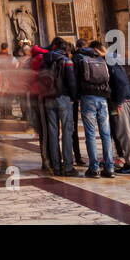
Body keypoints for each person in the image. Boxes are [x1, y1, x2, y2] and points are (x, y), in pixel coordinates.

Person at [76, 40, 115, 177]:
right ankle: (109, 168)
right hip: (103, 98)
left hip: (88, 98)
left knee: (91, 134)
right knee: (106, 133)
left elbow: (78, 80)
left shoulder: (81, 59)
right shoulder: (101, 59)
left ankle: (94, 168)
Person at [39, 38, 77, 175]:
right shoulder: (66, 61)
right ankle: (68, 167)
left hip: (48, 98)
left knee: (53, 133)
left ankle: (56, 166)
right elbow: (71, 81)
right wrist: (74, 97)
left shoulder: (44, 60)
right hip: (63, 98)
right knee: (67, 132)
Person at [108, 53, 130, 174]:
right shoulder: (119, 67)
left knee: (124, 134)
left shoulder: (114, 68)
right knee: (128, 133)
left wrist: (119, 103)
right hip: (126, 101)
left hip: (121, 103)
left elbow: (121, 85)